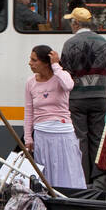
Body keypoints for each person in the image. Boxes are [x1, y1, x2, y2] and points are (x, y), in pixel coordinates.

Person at [60, 5, 106, 182]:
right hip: (99, 98)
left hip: (76, 99)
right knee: (98, 139)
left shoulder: (69, 44)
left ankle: (83, 180)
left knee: (80, 140)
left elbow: (65, 74)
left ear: (76, 24)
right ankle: (99, 180)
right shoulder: (104, 42)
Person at [23, 45, 85, 189]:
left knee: (68, 173)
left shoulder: (61, 77)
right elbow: (28, 111)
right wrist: (28, 137)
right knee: (46, 176)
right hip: (41, 134)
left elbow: (69, 85)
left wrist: (56, 65)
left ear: (46, 63)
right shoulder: (30, 82)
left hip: (63, 133)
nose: (30, 63)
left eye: (34, 60)